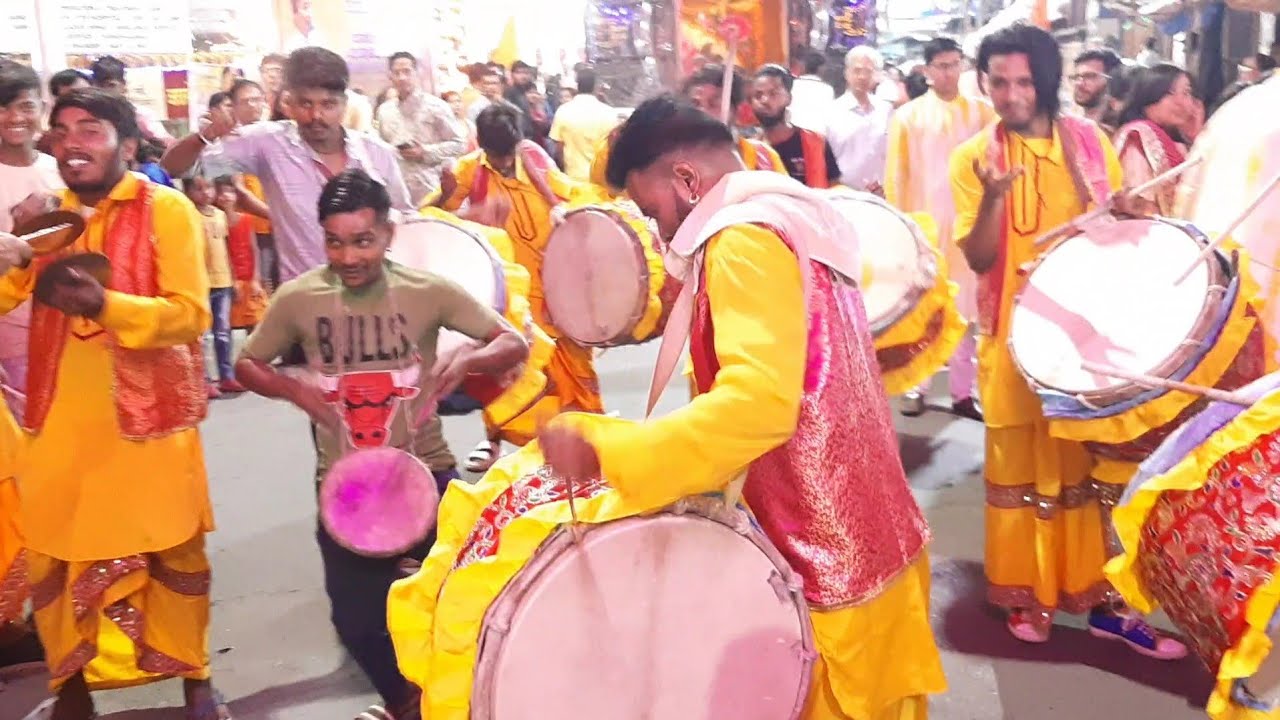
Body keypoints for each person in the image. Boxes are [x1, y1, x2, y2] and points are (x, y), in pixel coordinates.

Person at [537, 94, 947, 719]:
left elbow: (760, 404)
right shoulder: (797, 217)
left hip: (817, 550)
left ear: (685, 178)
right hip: (872, 531)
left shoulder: (742, 241)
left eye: (653, 211)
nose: (660, 230)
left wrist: (612, 449)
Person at [235, 168, 528, 720]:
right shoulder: (299, 298)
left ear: (389, 234)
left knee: (456, 609)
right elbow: (247, 363)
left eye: (362, 241)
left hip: (427, 475)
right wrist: (295, 391)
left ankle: (455, 702)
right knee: (357, 620)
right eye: (335, 242)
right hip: (345, 491)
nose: (348, 256)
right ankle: (405, 703)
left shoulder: (427, 291)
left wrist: (465, 358)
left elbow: (512, 343)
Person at [948, 23, 1186, 657]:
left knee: (1098, 479)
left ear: (1046, 81)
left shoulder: (1087, 143)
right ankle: (1031, 596)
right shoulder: (973, 156)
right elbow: (977, 257)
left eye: (1023, 81)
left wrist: (1132, 217)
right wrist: (994, 199)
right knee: (1024, 483)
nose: (1010, 94)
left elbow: (1113, 235)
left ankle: (1110, 605)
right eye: (998, 81)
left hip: (1088, 348)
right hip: (1012, 345)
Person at [0, 87, 228, 719]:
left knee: (174, 555)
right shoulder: (48, 214)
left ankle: (194, 677)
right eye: (63, 130)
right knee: (51, 556)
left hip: (147, 425)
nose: (72, 142)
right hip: (57, 423)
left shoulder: (169, 210)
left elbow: (189, 316)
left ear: (128, 146)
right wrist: (14, 247)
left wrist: (104, 306)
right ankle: (69, 689)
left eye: (90, 130)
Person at [427, 103, 604, 471]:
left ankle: (590, 435)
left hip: (553, 283)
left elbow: (570, 199)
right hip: (506, 294)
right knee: (503, 376)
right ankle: (498, 443)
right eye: (497, 157)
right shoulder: (468, 170)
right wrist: (457, 205)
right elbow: (434, 223)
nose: (505, 164)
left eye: (509, 155)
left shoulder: (536, 161)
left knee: (570, 366)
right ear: (483, 147)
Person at [162, 46, 413, 287]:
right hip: (304, 303)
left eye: (327, 105)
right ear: (288, 103)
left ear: (344, 104)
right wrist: (203, 137)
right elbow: (174, 168)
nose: (316, 115)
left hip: (374, 300)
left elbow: (404, 218)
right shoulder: (267, 144)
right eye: (306, 104)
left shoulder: (376, 154)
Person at [884, 37, 995, 419]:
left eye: (955, 64)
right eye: (941, 65)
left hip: (968, 227)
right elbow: (896, 176)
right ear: (927, 71)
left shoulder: (983, 115)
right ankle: (917, 386)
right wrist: (900, 228)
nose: (949, 72)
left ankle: (964, 392)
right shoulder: (908, 117)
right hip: (925, 226)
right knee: (925, 310)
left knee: (966, 312)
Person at [0, 62, 64, 422]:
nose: (14, 117)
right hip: (9, 326)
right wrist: (19, 232)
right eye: (3, 107)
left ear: (43, 109)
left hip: (66, 317)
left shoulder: (61, 170)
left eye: (25, 106)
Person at [375, 52, 467, 205]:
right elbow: (381, 150)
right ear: (390, 76)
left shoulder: (437, 107)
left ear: (417, 73)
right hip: (398, 190)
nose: (402, 77)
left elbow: (459, 145)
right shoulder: (385, 111)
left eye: (407, 71)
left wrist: (425, 151)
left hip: (432, 188)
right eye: (396, 73)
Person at [1114, 64, 1199, 216]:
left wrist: (1196, 137)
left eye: (1186, 93)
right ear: (1149, 94)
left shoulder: (1178, 143)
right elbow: (1138, 204)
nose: (1180, 102)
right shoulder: (1137, 136)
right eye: (1170, 93)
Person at [186, 176, 242, 398]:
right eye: (198, 189)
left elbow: (226, 246)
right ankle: (205, 380)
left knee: (223, 332)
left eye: (208, 187)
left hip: (223, 281)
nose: (205, 193)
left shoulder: (219, 215)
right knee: (204, 335)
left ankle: (226, 376)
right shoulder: (189, 215)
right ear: (189, 192)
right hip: (200, 282)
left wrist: (234, 278)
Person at [750, 64, 840, 188]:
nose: (765, 100)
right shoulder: (748, 150)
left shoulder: (817, 142)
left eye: (773, 93)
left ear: (789, 98)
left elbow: (835, 188)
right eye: (758, 95)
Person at [827, 46, 893, 194]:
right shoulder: (831, 111)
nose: (862, 76)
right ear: (846, 73)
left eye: (868, 71)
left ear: (877, 75)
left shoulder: (886, 110)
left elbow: (892, 154)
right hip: (841, 195)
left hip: (880, 196)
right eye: (857, 70)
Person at [213, 175, 266, 332]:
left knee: (255, 320)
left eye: (230, 191)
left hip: (250, 279)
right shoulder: (218, 221)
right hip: (231, 280)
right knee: (229, 324)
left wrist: (256, 279)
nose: (226, 196)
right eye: (221, 192)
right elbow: (224, 253)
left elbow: (255, 250)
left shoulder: (247, 219)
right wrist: (233, 280)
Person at [548, 66, 618, 181]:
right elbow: (613, 147)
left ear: (577, 86)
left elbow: (558, 148)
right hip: (601, 179)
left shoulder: (563, 111)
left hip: (573, 179)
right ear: (596, 86)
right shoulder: (610, 113)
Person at [90, 55, 174, 147]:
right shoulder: (88, 115)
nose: (105, 92)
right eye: (100, 87)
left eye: (111, 86)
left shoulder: (140, 115)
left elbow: (168, 144)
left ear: (123, 85)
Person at [1070, 49, 1123, 134]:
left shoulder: (1122, 132)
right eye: (1076, 77)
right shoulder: (1069, 130)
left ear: (1112, 79)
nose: (1079, 83)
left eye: (1089, 76)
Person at [788, 49, 835, 132]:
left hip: (792, 134)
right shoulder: (828, 90)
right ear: (821, 68)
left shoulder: (792, 84)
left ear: (804, 66)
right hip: (816, 137)